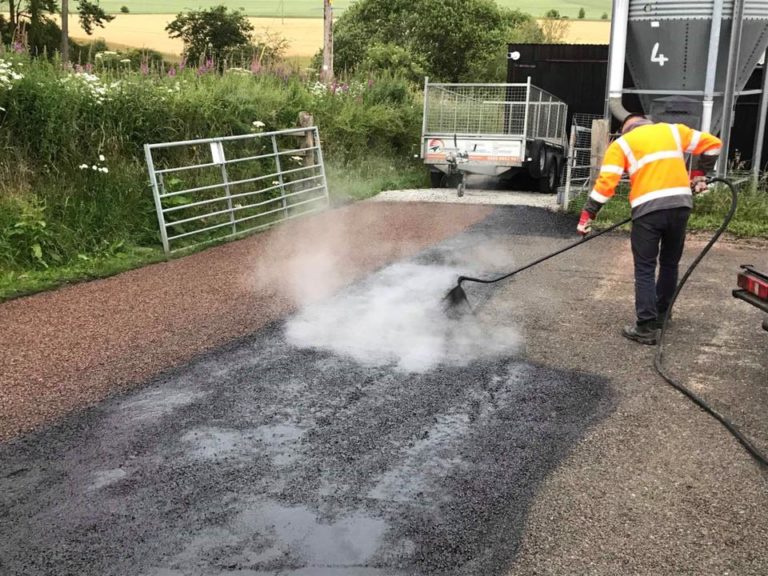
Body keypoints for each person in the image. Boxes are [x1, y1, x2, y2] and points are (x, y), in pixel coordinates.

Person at [577, 114, 722, 345]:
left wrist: (587, 215)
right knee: (669, 263)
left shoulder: (622, 144)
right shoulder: (673, 131)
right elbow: (714, 144)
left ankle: (645, 327)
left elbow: (606, 184)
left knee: (645, 267)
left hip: (647, 211)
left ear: (626, 129)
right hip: (680, 206)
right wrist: (699, 175)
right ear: (647, 122)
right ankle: (662, 315)